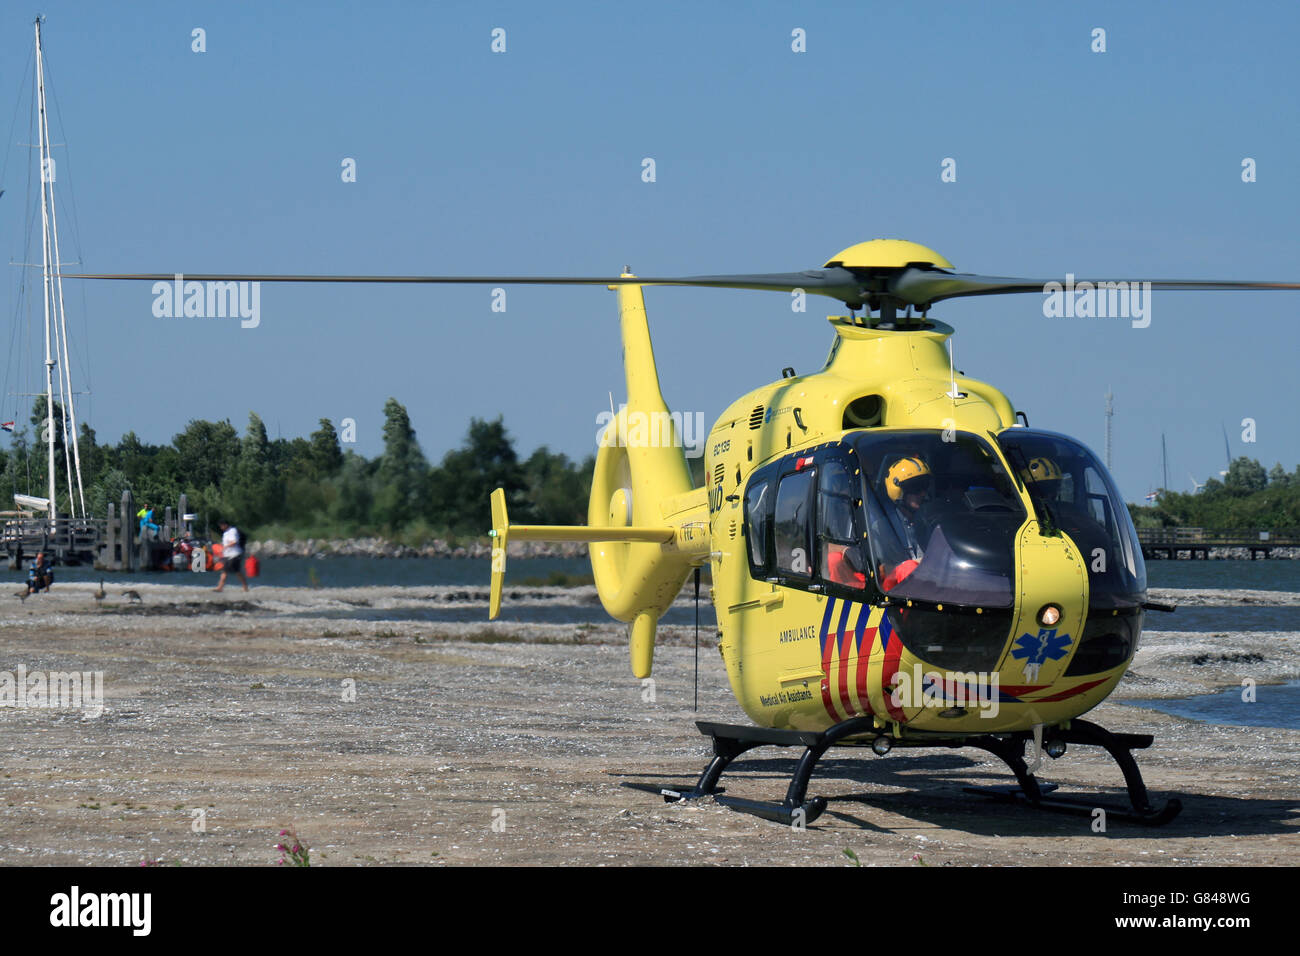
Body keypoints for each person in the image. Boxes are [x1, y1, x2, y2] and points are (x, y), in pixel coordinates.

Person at [875, 454, 933, 590]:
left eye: (924, 487)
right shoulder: (882, 528)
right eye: (916, 487)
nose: (922, 493)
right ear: (898, 491)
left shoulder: (930, 521)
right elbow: (882, 572)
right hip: (899, 592)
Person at [213, 519, 249, 592]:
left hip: (235, 554)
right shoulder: (225, 533)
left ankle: (245, 587)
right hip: (227, 555)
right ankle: (220, 587)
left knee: (237, 572)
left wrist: (225, 547)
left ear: (225, 525)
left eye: (221, 526)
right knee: (225, 571)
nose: (220, 527)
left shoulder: (233, 531)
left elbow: (234, 542)